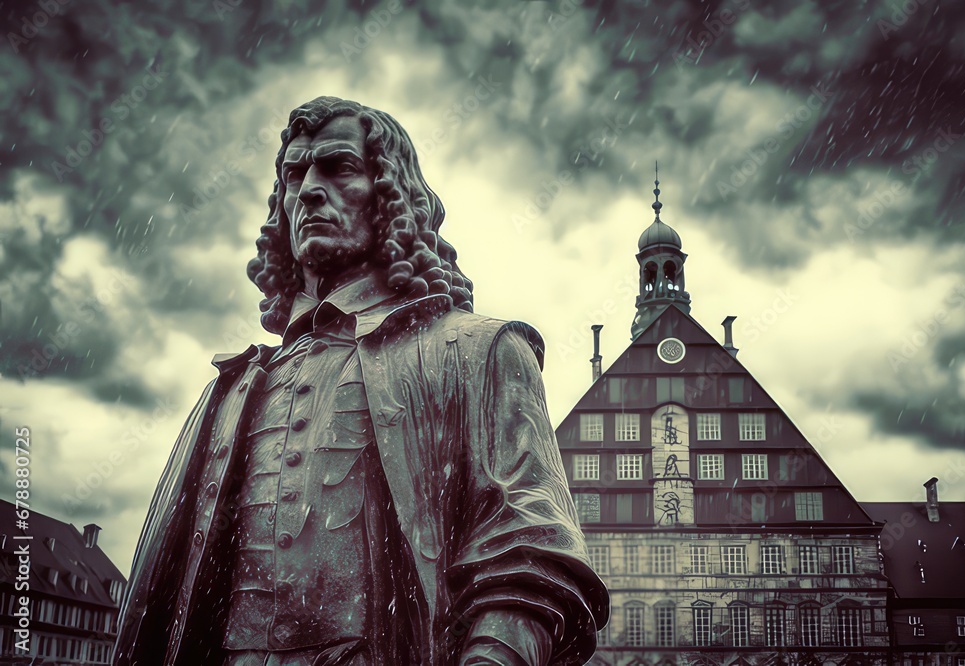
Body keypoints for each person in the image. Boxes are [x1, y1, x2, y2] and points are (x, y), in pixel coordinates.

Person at [114, 97, 608, 666]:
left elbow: (530, 557)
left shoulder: (477, 353)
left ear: (390, 194)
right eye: (294, 174)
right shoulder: (229, 392)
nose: (308, 190)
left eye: (338, 167)